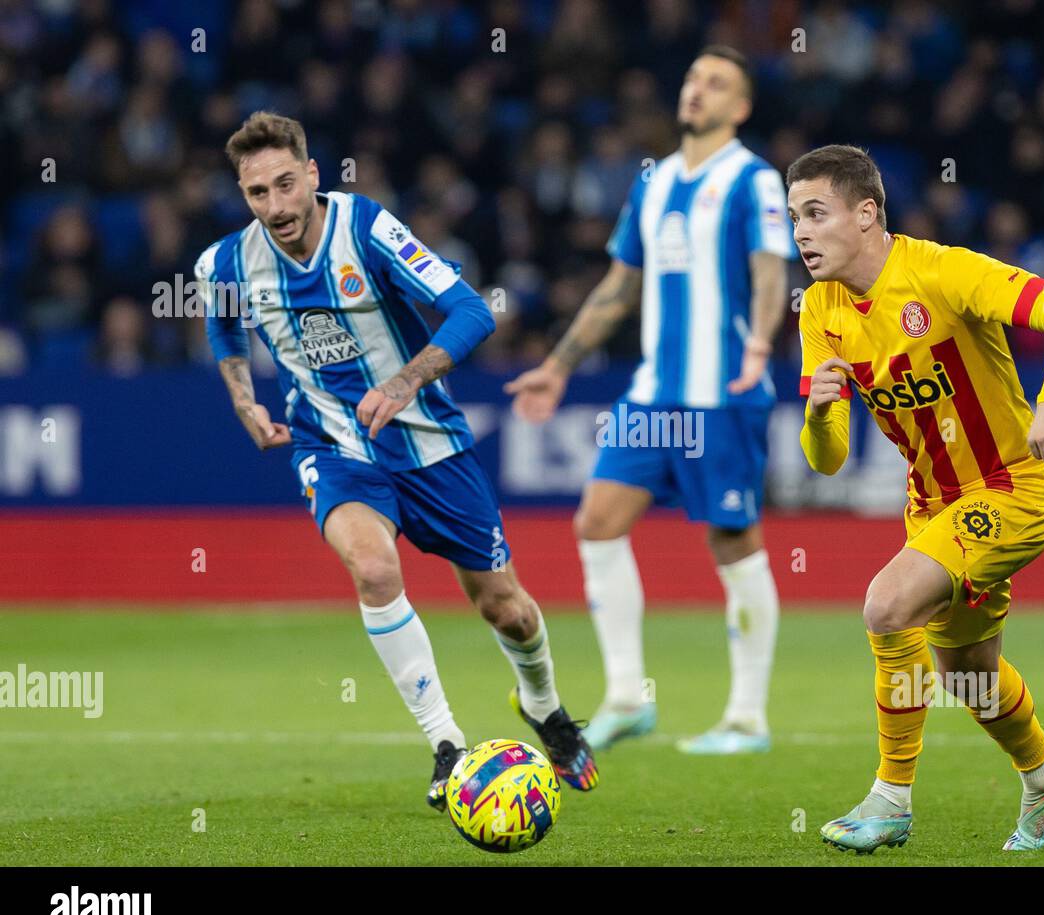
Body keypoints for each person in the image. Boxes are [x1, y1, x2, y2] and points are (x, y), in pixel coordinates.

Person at [197, 111, 598, 811]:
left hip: (429, 442)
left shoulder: (365, 228)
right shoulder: (226, 263)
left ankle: (547, 711)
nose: (275, 206)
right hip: (332, 444)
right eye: (257, 193)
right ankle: (446, 746)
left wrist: (404, 381)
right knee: (375, 568)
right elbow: (223, 324)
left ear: (312, 174)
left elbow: (472, 311)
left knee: (508, 610)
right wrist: (242, 398)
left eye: (286, 185)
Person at [788, 144, 1044, 852]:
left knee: (886, 603)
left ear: (866, 214)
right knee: (970, 677)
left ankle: (890, 800)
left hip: (1012, 486)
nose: (801, 234)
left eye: (816, 214)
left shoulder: (942, 270)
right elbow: (829, 461)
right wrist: (816, 413)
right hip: (935, 506)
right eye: (793, 219)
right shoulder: (819, 309)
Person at [505, 46, 796, 755]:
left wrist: (762, 343)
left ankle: (747, 717)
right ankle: (628, 696)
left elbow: (769, 272)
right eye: (694, 77)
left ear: (741, 106)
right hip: (652, 398)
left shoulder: (752, 180)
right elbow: (616, 288)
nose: (698, 90)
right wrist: (557, 366)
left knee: (733, 543)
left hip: (722, 393)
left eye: (718, 82)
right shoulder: (656, 182)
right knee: (597, 521)